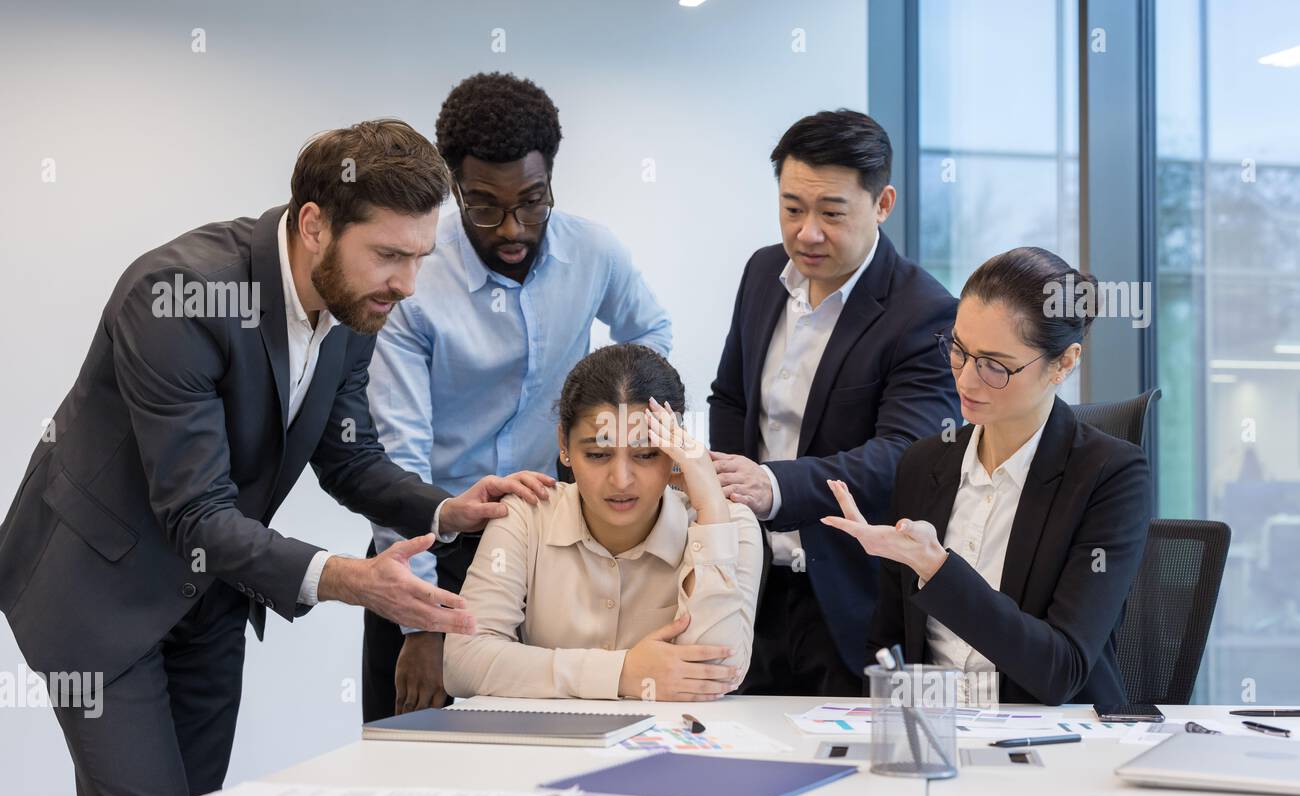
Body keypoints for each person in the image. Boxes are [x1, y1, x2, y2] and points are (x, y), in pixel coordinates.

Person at [0, 119, 550, 796]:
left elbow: (349, 458)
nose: (407, 285)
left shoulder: (358, 302)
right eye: (389, 255)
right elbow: (197, 512)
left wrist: (448, 506)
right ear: (316, 225)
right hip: (99, 588)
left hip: (213, 590)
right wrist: (352, 579)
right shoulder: (177, 295)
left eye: (419, 257)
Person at [365, 73, 672, 719]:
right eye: (484, 205)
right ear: (454, 187)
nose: (512, 226)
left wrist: (597, 425)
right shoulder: (417, 279)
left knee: (536, 746)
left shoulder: (594, 251)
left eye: (533, 201)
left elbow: (651, 332)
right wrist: (421, 625)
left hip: (541, 544)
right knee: (410, 759)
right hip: (430, 542)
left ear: (551, 179)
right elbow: (399, 458)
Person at [823, 247, 1153, 706]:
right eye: (958, 351)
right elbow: (888, 645)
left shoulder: (1111, 476)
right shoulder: (924, 463)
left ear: (1064, 363)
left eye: (995, 365)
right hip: (929, 732)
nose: (966, 381)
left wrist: (936, 569)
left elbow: (1060, 670)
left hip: (1049, 738)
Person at [708, 109, 960, 696]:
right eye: (792, 209)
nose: (807, 233)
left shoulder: (923, 313)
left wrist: (773, 486)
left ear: (883, 203)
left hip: (850, 601)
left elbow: (904, 456)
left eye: (831, 213)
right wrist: (726, 492)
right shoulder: (763, 272)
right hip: (750, 588)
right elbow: (730, 398)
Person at [443, 345, 762, 701]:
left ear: (677, 447)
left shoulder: (728, 524)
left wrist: (712, 511)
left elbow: (716, 675)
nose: (621, 480)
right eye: (597, 454)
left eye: (645, 454)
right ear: (564, 443)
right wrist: (622, 673)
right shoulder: (524, 517)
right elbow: (463, 662)